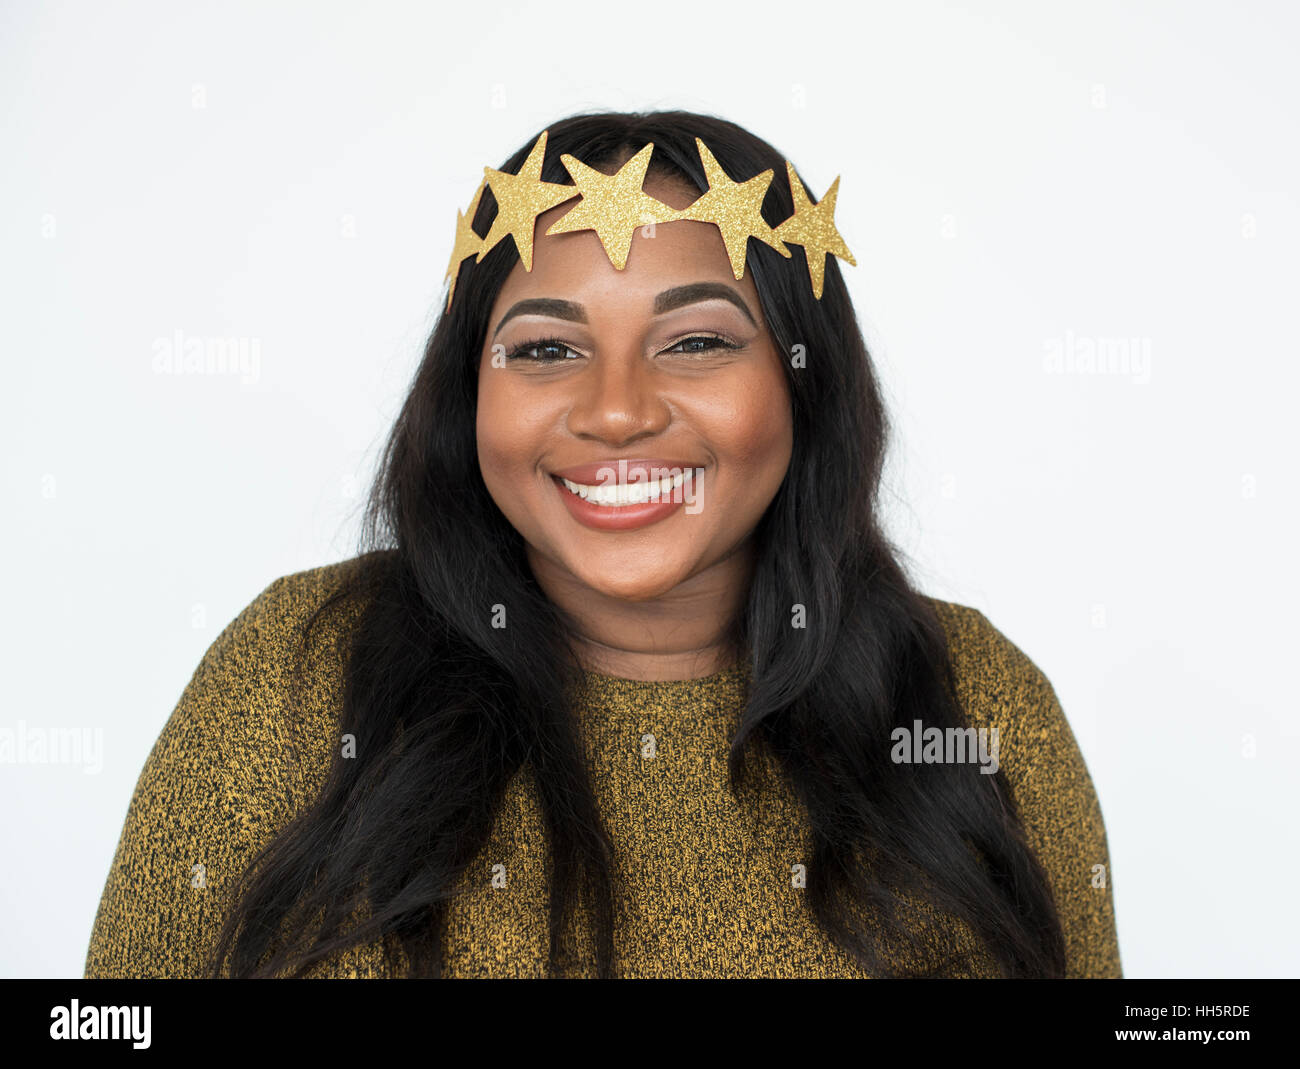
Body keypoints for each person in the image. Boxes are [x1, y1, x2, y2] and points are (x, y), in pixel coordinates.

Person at [83, 109, 1121, 979]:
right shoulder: (296, 674)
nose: (616, 412)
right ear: (469, 397)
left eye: (697, 341)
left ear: (805, 382)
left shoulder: (976, 702)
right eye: (545, 348)